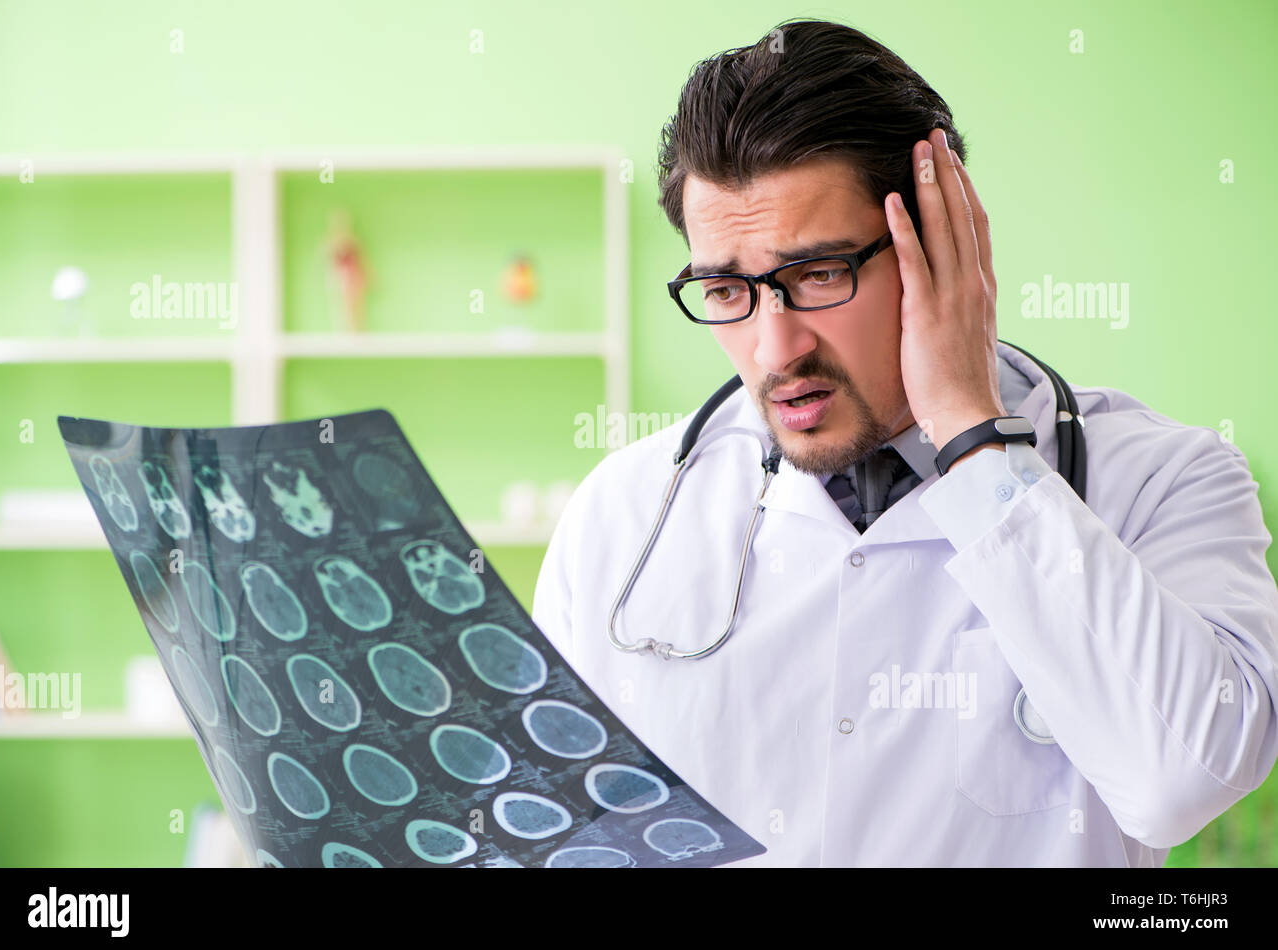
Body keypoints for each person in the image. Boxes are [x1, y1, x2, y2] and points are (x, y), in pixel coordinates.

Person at [531, 18, 1278, 866]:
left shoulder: (1160, 479)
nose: (774, 351)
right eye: (726, 288)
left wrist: (972, 437)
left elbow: (1180, 781)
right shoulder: (623, 518)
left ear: (939, 233)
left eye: (817, 275)